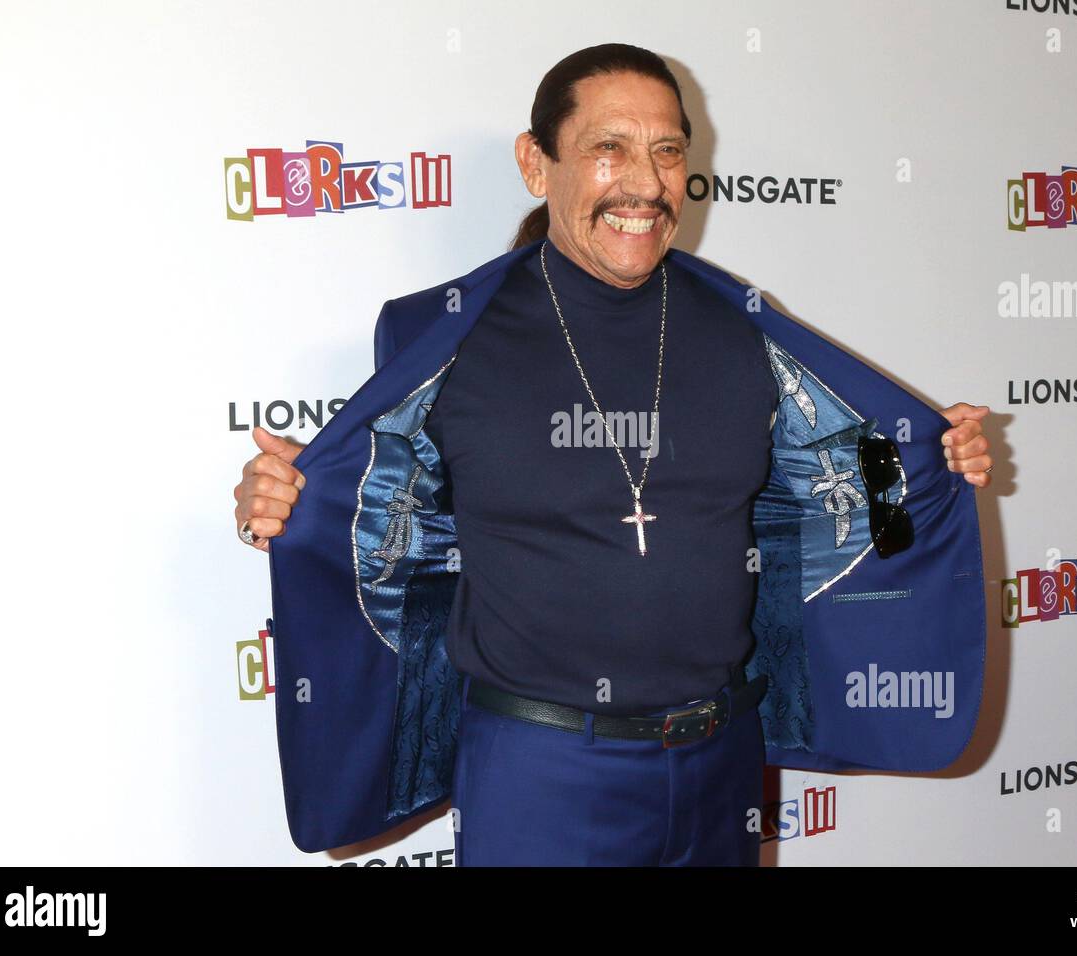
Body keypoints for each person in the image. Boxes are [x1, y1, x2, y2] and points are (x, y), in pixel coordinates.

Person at [232, 44, 994, 866]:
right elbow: (375, 509)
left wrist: (930, 458)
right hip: (540, 773)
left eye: (668, 151)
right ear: (537, 162)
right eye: (610, 148)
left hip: (722, 761)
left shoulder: (746, 330)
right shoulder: (436, 336)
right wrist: (279, 505)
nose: (645, 182)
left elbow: (842, 487)